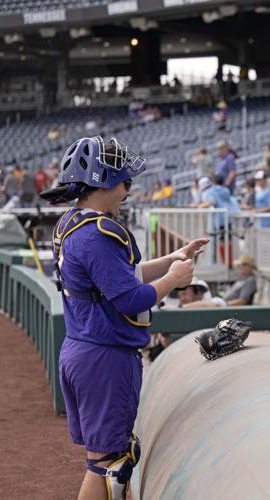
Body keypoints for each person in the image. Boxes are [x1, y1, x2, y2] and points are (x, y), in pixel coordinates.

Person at [38, 136, 202, 499]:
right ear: (106, 182)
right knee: (110, 465)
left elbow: (119, 276)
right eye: (125, 180)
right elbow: (130, 298)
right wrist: (173, 281)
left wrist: (170, 259)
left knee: (110, 459)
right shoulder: (98, 234)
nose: (128, 188)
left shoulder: (73, 222)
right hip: (104, 356)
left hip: (83, 349)